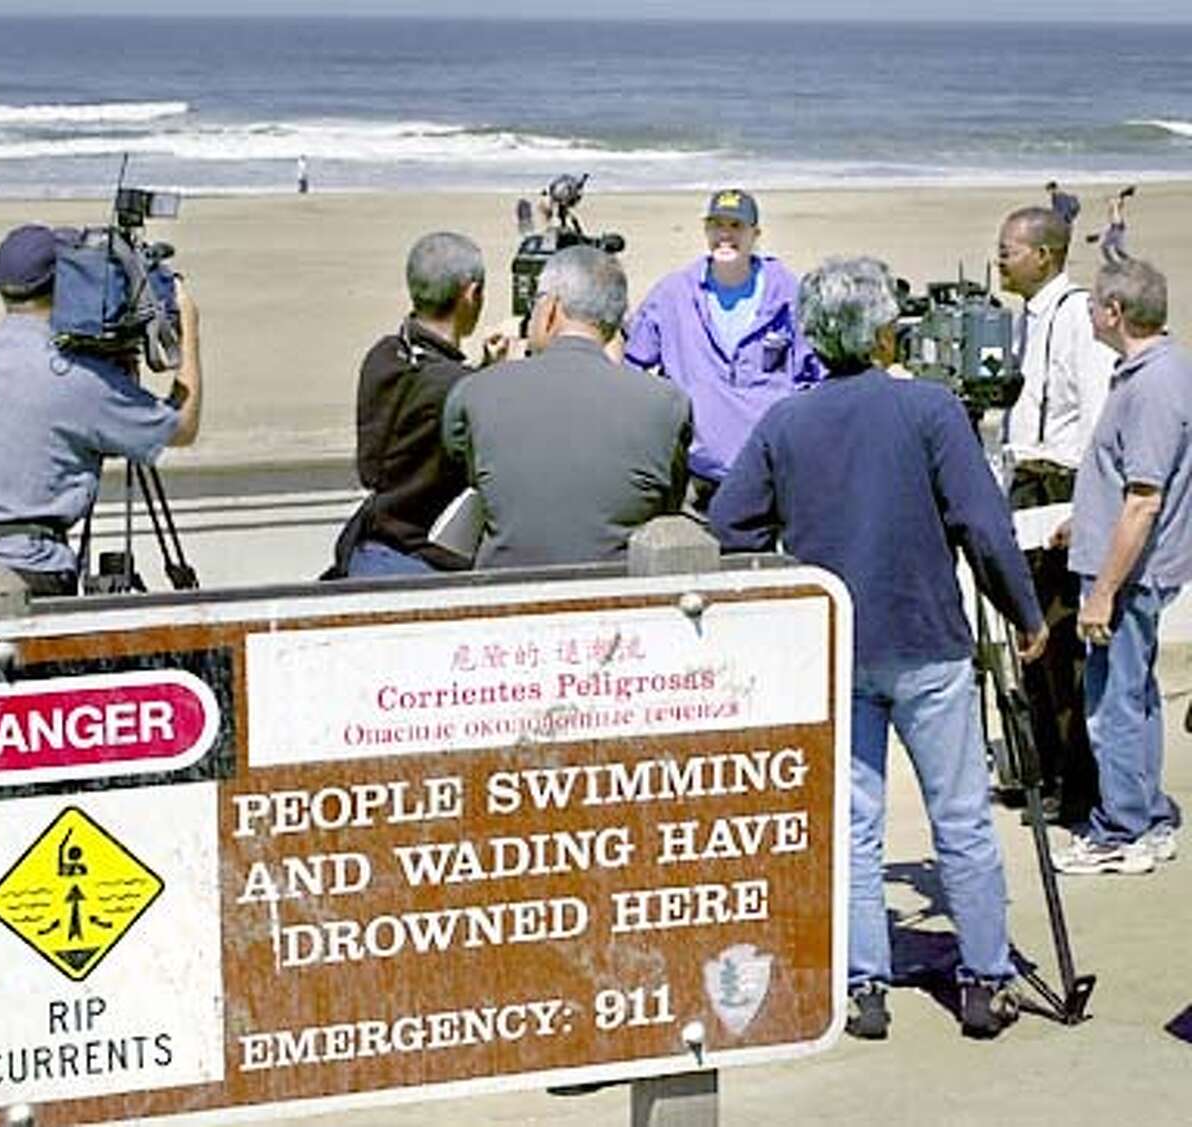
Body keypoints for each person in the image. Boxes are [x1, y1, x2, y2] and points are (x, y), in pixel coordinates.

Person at [708, 256, 1047, 1042]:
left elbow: (734, 526)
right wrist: (1024, 612)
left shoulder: (787, 420)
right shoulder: (930, 408)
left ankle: (865, 983)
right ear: (886, 331)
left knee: (856, 825)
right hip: (926, 639)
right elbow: (984, 527)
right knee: (960, 815)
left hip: (838, 647)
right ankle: (984, 975)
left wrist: (787, 591)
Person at [0, 224, 202, 603]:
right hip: (32, 572)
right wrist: (190, 331)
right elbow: (182, 427)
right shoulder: (80, 380)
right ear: (65, 281)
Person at [1053, 258, 1192, 876]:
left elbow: (1144, 497)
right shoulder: (1146, 373)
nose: (1088, 314)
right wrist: (1080, 523)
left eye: (1094, 306)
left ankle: (1122, 830)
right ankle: (1147, 816)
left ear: (1115, 312)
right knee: (1134, 694)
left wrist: (1103, 591)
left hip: (1132, 573)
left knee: (1112, 702)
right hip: (1129, 561)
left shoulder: (1156, 383)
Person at [443, 245, 690, 568]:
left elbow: (470, 469)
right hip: (618, 597)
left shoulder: (476, 392)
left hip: (505, 596)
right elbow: (668, 497)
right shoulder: (665, 404)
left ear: (550, 309)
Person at [997, 206, 1116, 826]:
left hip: (1063, 490)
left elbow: (1097, 421)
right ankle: (1041, 766)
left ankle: (1074, 782)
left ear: (1043, 255)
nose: (999, 260)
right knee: (1029, 636)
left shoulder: (1076, 320)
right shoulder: (1027, 320)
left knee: (1060, 638)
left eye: (1008, 250)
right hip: (1027, 486)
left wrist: (1089, 509)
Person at [623, 188, 821, 511]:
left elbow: (816, 376)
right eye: (717, 225)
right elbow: (632, 368)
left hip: (773, 476)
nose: (725, 236)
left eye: (736, 226)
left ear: (755, 234)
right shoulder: (672, 293)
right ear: (705, 231)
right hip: (695, 476)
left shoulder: (788, 292)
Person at [335, 232, 507, 577]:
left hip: (369, 545)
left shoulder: (384, 356)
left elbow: (421, 404)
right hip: (422, 556)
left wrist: (483, 371)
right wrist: (497, 380)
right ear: (470, 294)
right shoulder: (460, 386)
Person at [1087, 187, 1134, 265]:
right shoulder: (1114, 210)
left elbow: (1119, 207)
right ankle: (1118, 263)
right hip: (1115, 229)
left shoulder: (1115, 209)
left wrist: (1123, 195)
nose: (1108, 202)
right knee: (1111, 249)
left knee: (1114, 250)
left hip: (1117, 229)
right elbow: (1108, 228)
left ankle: (1125, 263)